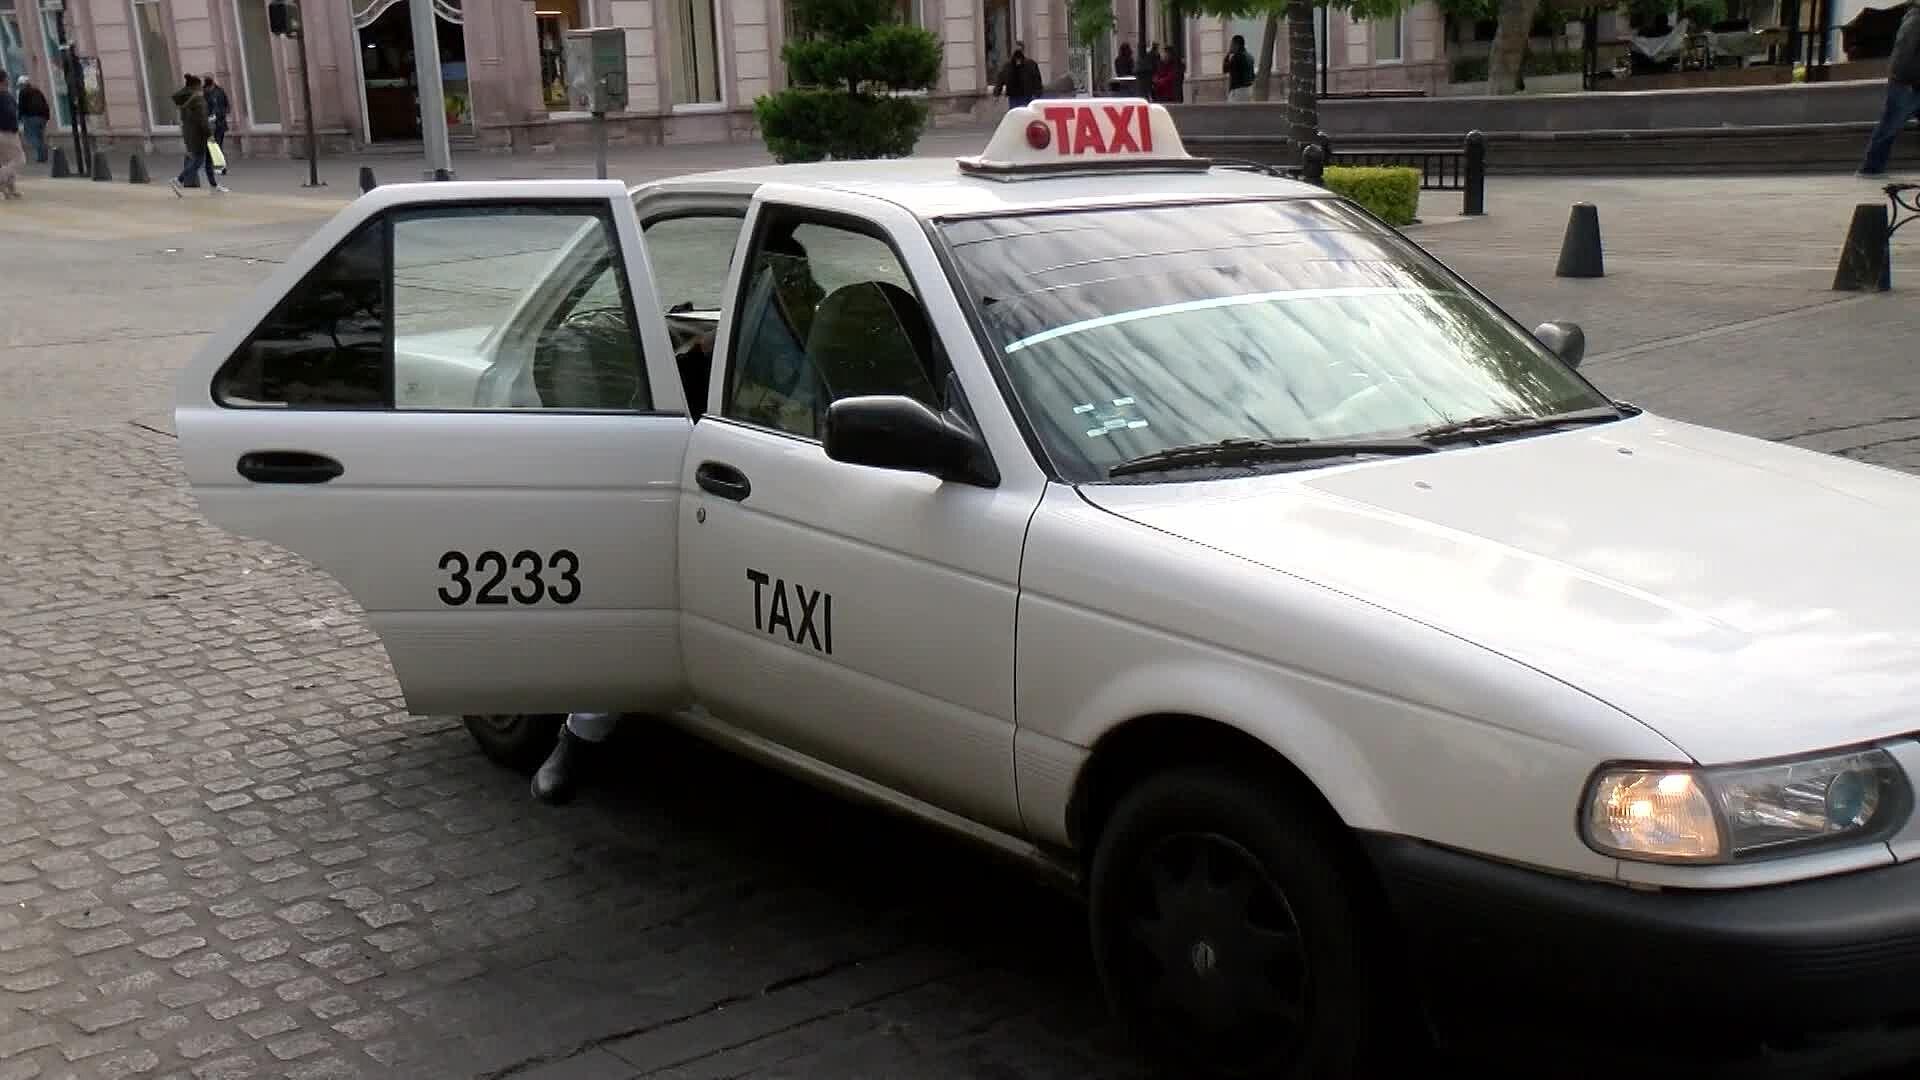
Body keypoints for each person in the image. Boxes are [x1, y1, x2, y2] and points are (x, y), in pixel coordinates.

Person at [1857, 0, 1920, 178]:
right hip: (1907, 85)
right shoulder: (1916, 19)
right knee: (1889, 127)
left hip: (1914, 83)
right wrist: (1907, 79)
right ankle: (1870, 169)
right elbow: (1903, 52)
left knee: (1889, 127)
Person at [168, 74, 225, 195]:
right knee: (198, 160)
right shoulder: (198, 100)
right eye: (200, 86)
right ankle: (178, 180)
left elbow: (191, 119)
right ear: (196, 86)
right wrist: (210, 134)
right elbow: (202, 120)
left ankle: (213, 186)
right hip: (201, 135)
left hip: (191, 134)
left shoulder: (187, 100)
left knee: (207, 159)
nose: (201, 88)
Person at [993, 42, 1044, 109]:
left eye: (1019, 50)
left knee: (1024, 112)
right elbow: (1000, 79)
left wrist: (1038, 93)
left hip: (1027, 95)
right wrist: (996, 93)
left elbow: (1037, 79)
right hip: (1014, 96)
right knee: (1016, 112)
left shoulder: (1031, 64)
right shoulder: (1008, 66)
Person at [16, 75, 49, 163]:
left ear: (22, 84)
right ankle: (42, 156)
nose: (19, 87)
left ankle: (42, 153)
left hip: (31, 117)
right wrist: (46, 117)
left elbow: (21, 106)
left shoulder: (23, 92)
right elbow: (45, 103)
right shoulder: (37, 90)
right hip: (42, 117)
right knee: (40, 137)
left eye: (20, 85)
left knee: (31, 137)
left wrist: (19, 117)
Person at [203, 74, 231, 174]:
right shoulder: (205, 93)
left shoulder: (219, 92)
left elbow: (226, 106)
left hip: (219, 124)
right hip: (210, 125)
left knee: (217, 145)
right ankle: (216, 167)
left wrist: (218, 115)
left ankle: (220, 167)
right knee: (213, 146)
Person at [0, 72, 22, 200]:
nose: (8, 81)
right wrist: (14, 127)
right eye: (7, 78)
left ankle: (9, 190)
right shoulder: (4, 95)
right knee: (19, 159)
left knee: (6, 161)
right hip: (7, 132)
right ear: (3, 80)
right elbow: (10, 113)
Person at [1224, 34, 1256, 103]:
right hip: (1249, 90)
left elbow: (1225, 69)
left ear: (1236, 45)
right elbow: (1253, 76)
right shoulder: (1250, 57)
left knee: (1231, 109)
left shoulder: (1236, 57)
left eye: (1231, 44)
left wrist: (1228, 54)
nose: (1230, 46)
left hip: (1238, 92)